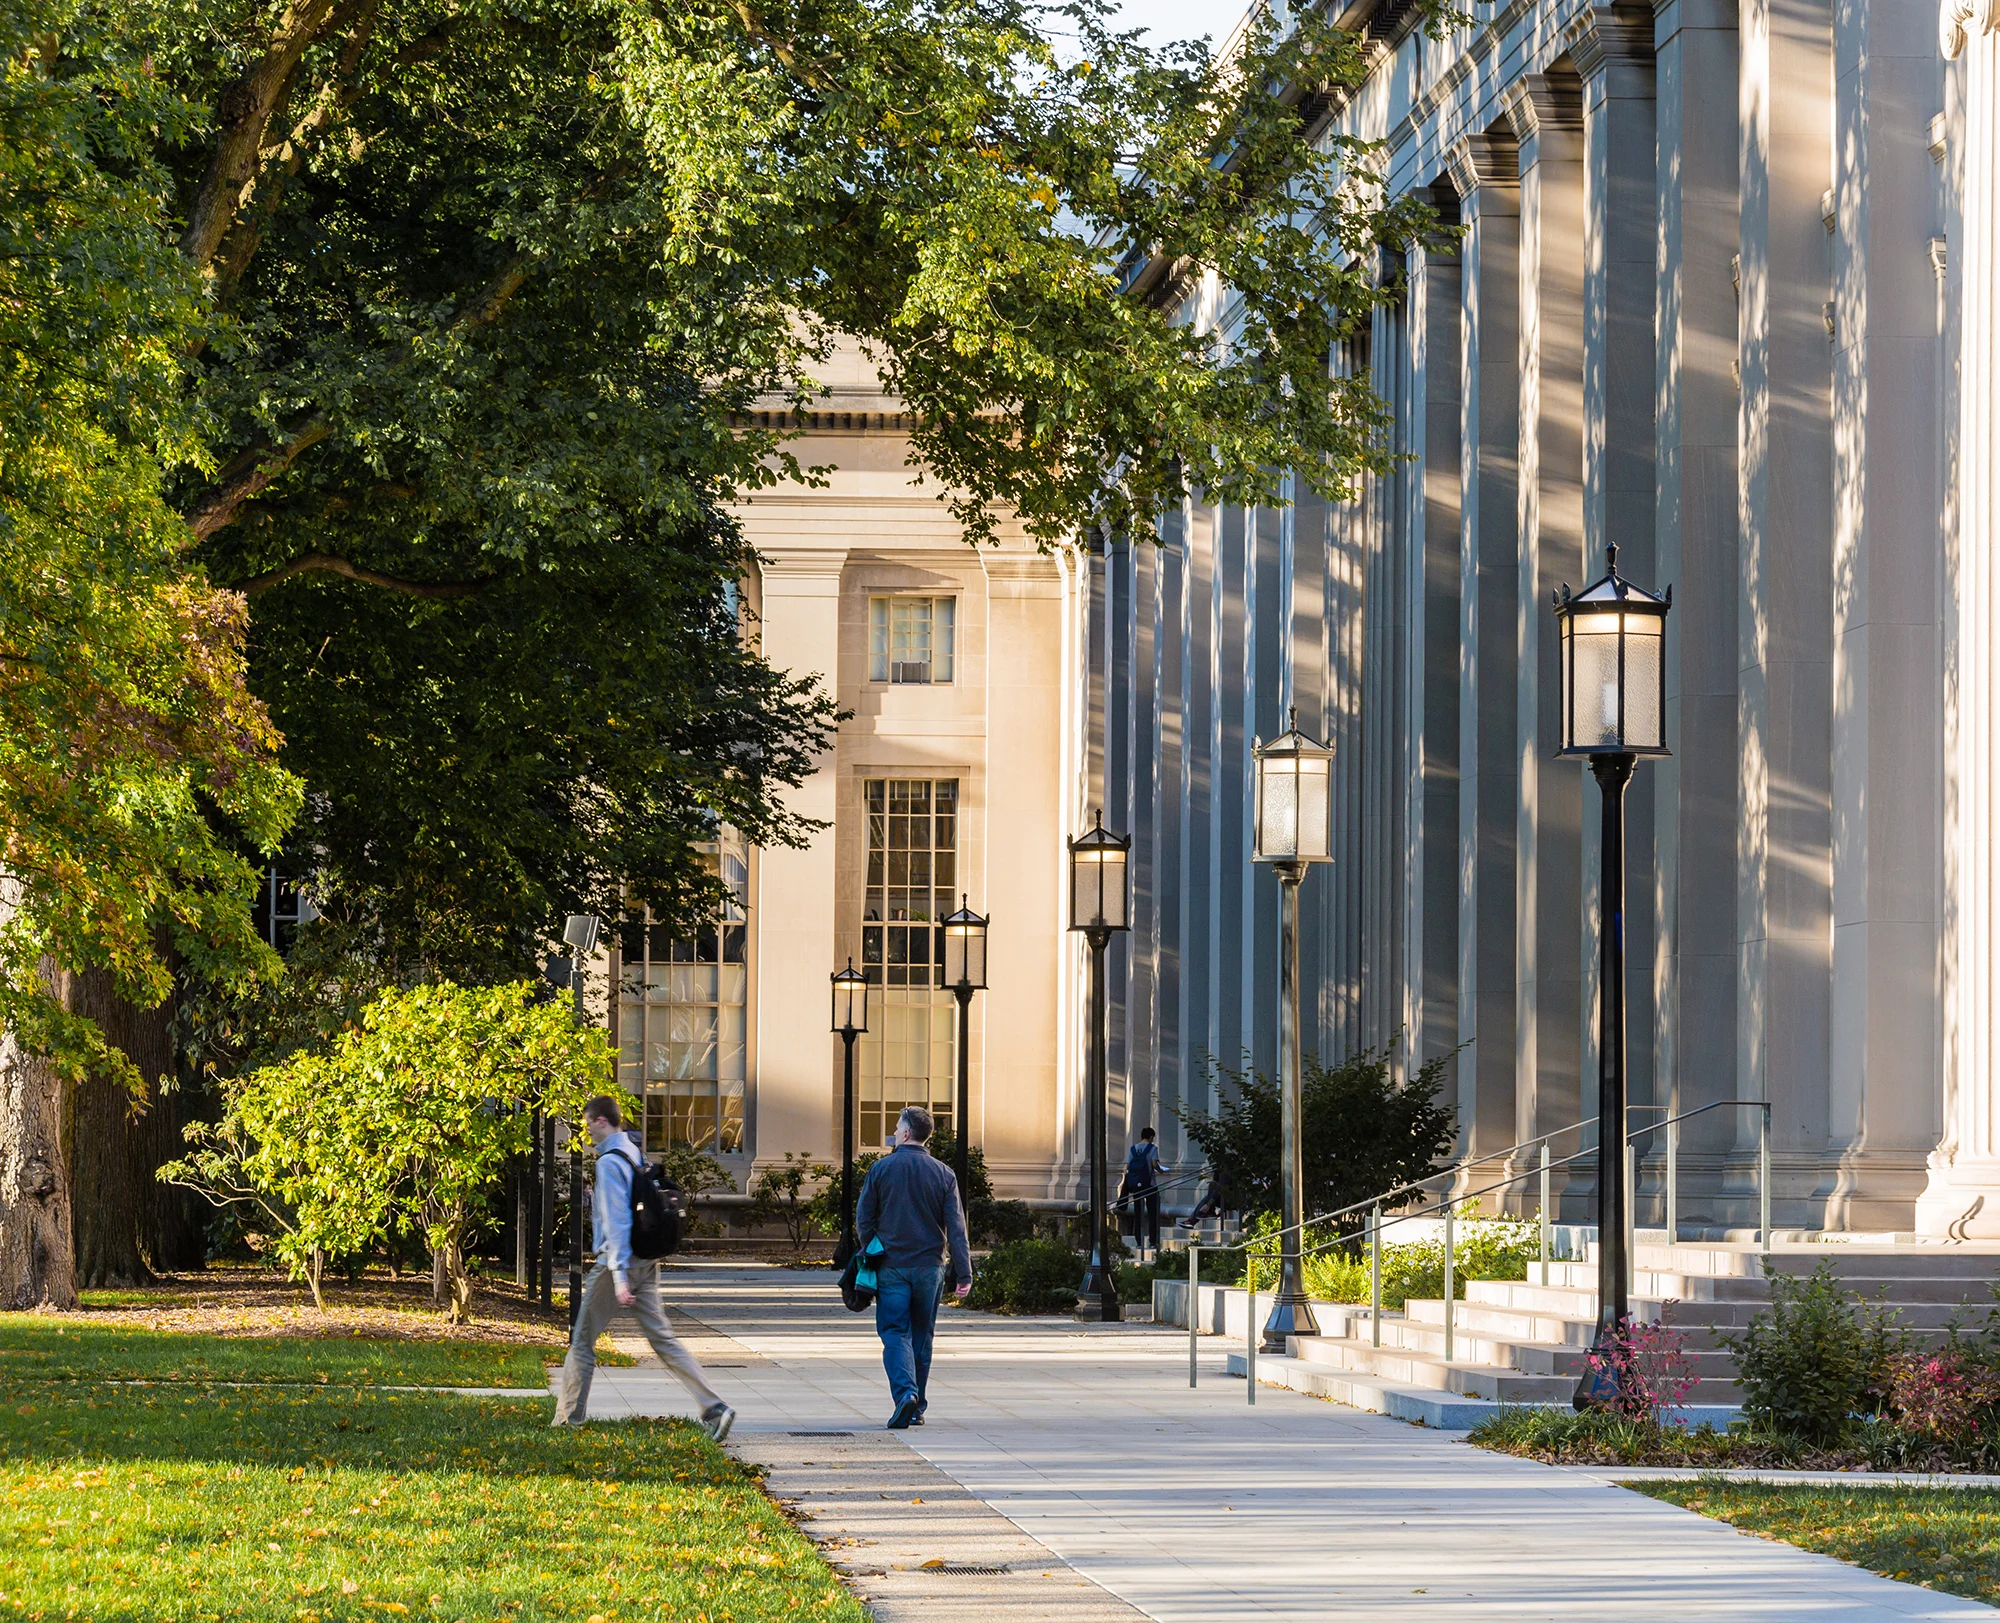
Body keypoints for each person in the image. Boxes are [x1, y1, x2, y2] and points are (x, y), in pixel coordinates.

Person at [551, 1095, 736, 1441]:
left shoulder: (609, 1162)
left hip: (616, 1266)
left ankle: (567, 1420)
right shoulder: (635, 1152)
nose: (586, 1131)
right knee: (664, 1339)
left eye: (588, 1124)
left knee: (582, 1342)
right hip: (647, 1262)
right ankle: (715, 1408)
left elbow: (618, 1221)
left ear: (602, 1121)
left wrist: (619, 1276)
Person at [855, 1105, 972, 1429]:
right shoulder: (944, 1173)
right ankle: (917, 1406)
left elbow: (864, 1219)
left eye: (896, 1128)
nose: (894, 1132)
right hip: (929, 1267)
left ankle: (905, 1394)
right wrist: (964, 1272)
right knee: (922, 1336)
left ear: (906, 1133)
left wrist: (871, 1249)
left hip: (891, 1265)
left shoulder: (881, 1169)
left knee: (894, 1331)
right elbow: (956, 1227)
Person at [1124, 1126, 1166, 1253]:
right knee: (1153, 1213)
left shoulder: (1133, 1149)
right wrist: (1160, 1170)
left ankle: (1139, 1242)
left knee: (1138, 1213)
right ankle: (1153, 1242)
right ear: (1151, 1137)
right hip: (1150, 1184)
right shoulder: (1152, 1148)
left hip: (1137, 1185)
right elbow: (1154, 1164)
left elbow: (1127, 1166)